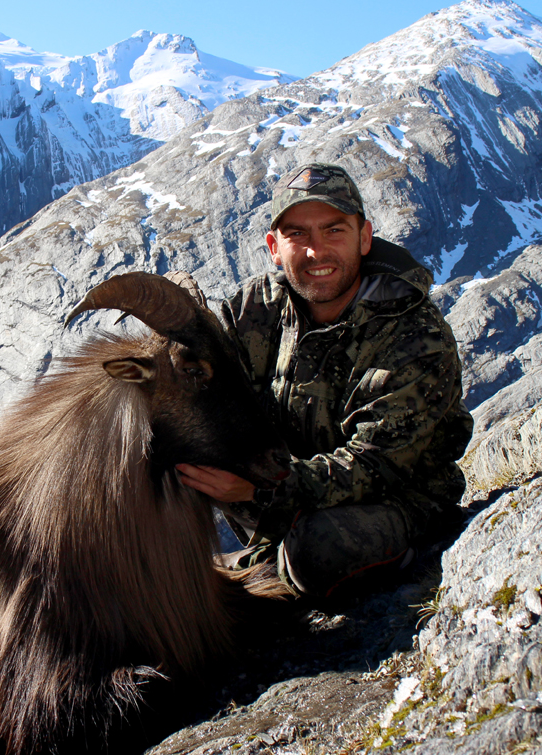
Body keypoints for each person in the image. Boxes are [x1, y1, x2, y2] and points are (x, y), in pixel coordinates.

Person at [177, 163, 473, 605]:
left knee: (316, 551)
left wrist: (259, 489)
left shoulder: (415, 335)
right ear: (275, 247)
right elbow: (207, 389)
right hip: (282, 491)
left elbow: (375, 467)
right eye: (298, 235)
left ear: (365, 237)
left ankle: (401, 559)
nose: (316, 252)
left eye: (334, 231)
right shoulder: (254, 309)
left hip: (397, 500)